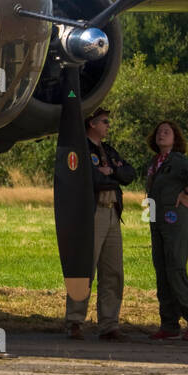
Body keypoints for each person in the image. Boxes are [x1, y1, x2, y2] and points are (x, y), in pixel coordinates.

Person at [64, 107, 135, 341]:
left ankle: (109, 324)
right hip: (92, 214)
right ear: (92, 123)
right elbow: (87, 178)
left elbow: (129, 174)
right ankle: (74, 321)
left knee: (113, 272)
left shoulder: (109, 150)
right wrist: (106, 176)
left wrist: (110, 171)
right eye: (104, 121)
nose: (108, 125)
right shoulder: (80, 149)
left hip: (113, 213)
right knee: (85, 269)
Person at [143, 120, 188, 340]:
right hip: (157, 220)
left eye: (167, 132)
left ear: (175, 138)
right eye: (159, 131)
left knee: (176, 268)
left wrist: (187, 190)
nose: (162, 134)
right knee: (162, 270)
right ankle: (169, 323)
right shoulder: (154, 162)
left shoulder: (178, 161)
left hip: (176, 221)